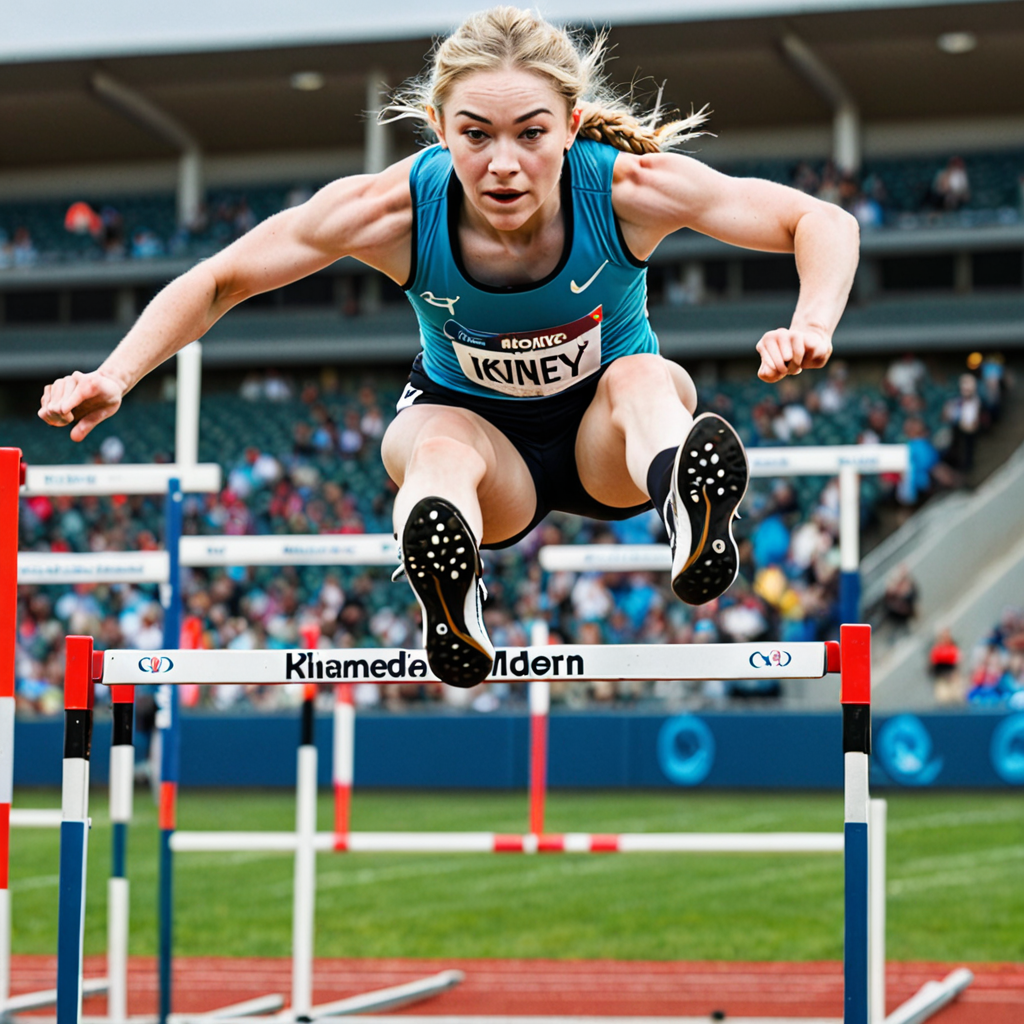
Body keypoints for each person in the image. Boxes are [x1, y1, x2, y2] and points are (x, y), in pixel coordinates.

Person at [37, 7, 859, 688]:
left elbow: (820, 220)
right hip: (480, 451)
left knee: (649, 374)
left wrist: (814, 322)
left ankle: (685, 506)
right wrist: (116, 373)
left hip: (607, 440)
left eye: (531, 134)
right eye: (475, 135)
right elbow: (222, 279)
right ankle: (450, 596)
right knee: (430, 442)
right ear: (438, 129)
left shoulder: (628, 190)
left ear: (572, 126)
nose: (503, 164)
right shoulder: (391, 209)